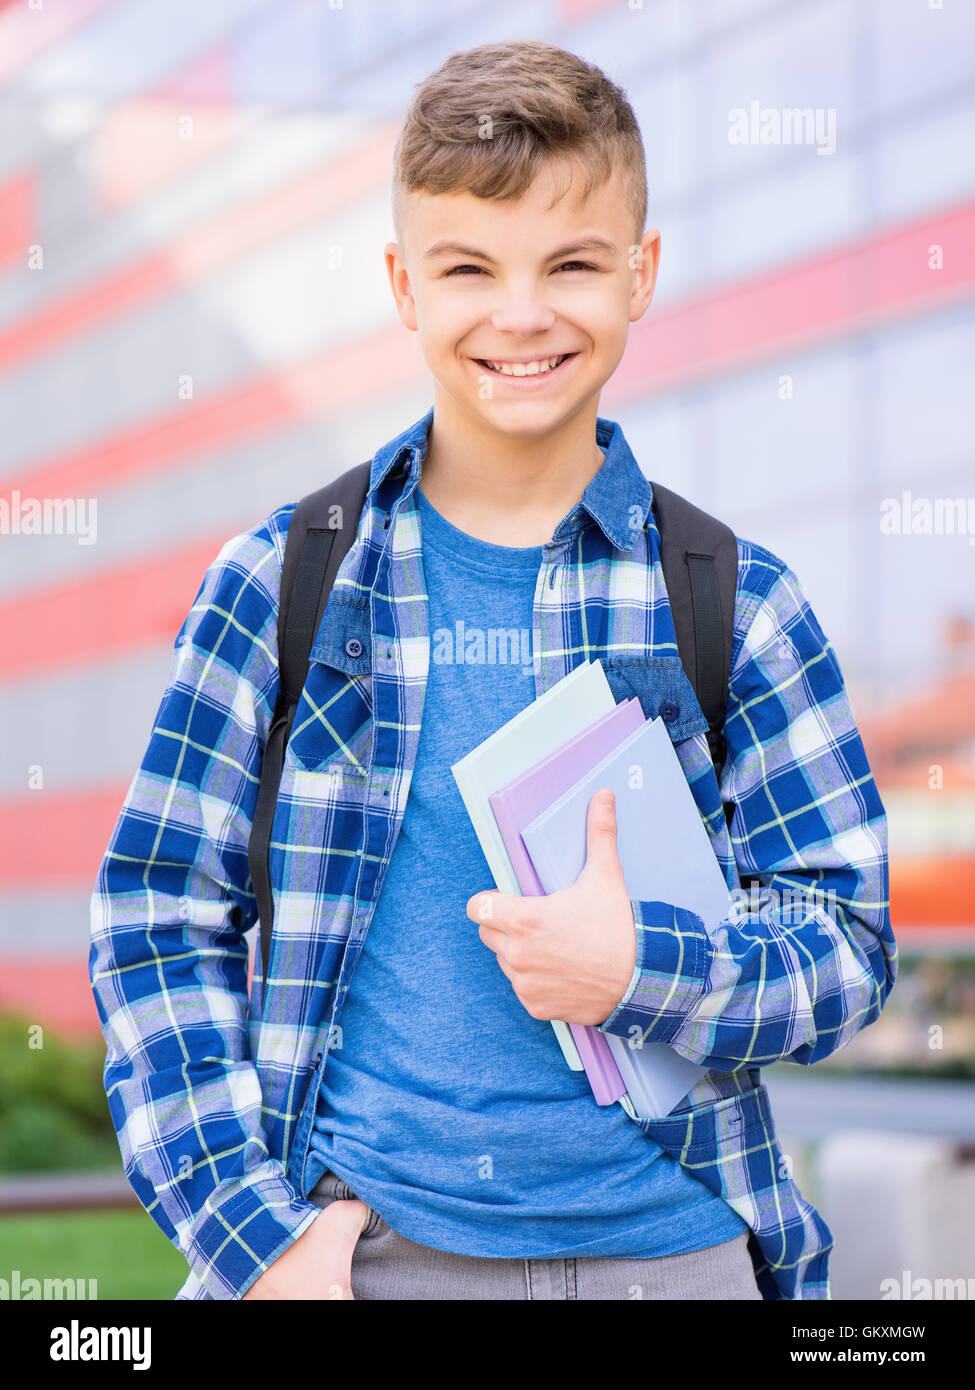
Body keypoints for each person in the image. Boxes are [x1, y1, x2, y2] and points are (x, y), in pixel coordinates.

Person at [89, 39, 897, 1302]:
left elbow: (844, 947)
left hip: (674, 1258)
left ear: (642, 275)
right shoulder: (278, 586)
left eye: (572, 264)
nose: (522, 314)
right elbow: (154, 921)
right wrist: (256, 1240)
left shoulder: (738, 603)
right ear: (407, 287)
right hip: (361, 1260)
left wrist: (640, 971)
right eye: (471, 268)